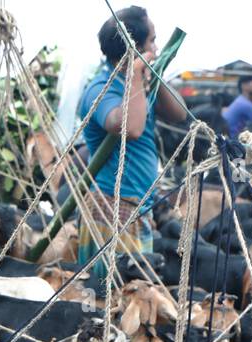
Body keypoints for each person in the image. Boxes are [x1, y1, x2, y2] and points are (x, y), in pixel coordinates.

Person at [76, 5, 187, 276]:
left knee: (133, 301)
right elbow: (131, 128)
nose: (157, 47)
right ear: (136, 49)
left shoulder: (139, 86)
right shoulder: (101, 88)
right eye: (152, 41)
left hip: (136, 208)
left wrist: (152, 74)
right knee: (109, 303)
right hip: (112, 209)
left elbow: (179, 114)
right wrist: (137, 72)